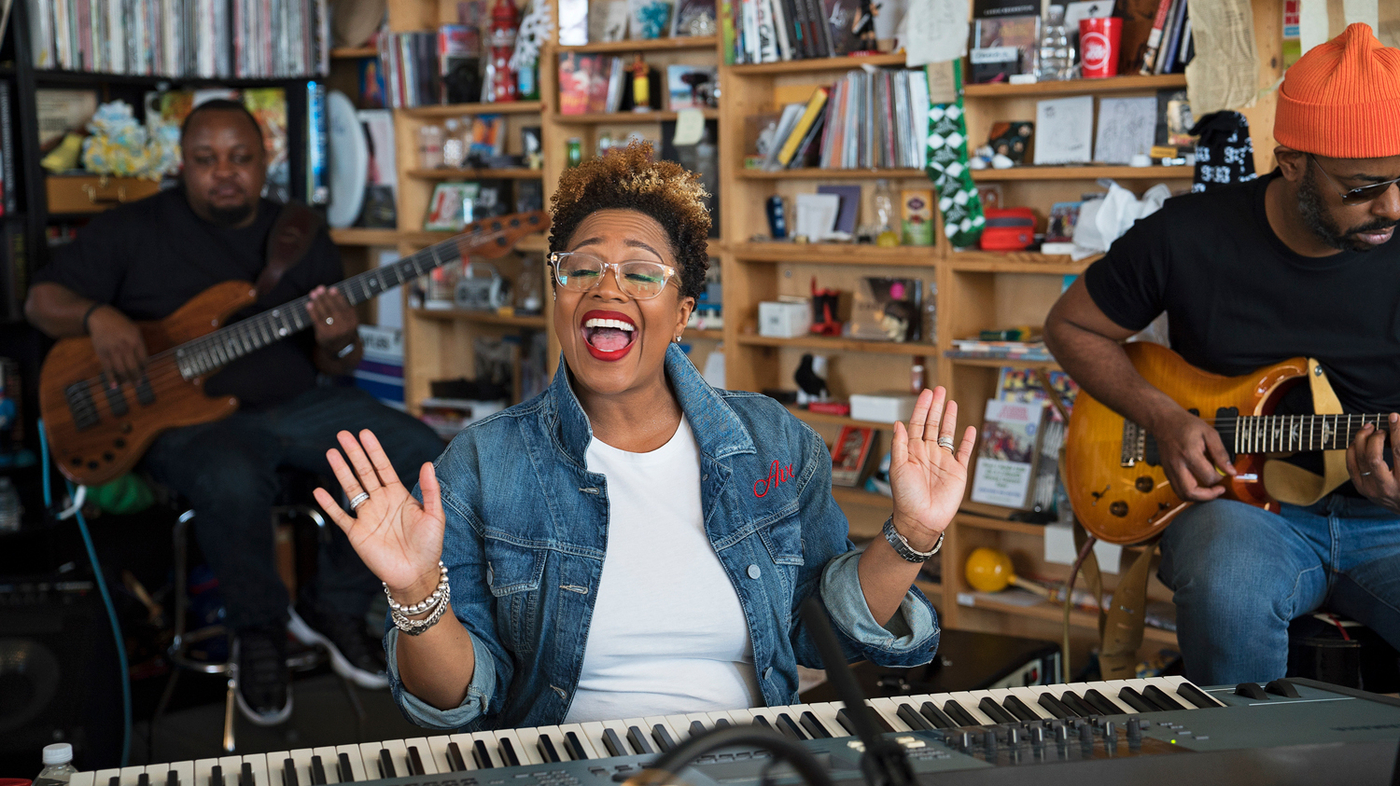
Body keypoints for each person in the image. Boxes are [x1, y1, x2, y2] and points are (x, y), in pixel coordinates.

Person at [316, 142, 976, 730]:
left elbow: (821, 635)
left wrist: (913, 534)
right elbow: (459, 699)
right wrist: (414, 595)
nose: (608, 286)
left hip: (748, 767)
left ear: (682, 313)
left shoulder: (774, 443)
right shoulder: (484, 464)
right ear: (558, 294)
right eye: (581, 268)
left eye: (640, 271)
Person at [24, 99, 445, 725]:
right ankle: (258, 634)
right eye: (206, 160)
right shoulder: (134, 229)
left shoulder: (298, 233)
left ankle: (335, 603)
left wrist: (338, 340)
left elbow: (339, 362)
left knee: (420, 451)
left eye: (240, 159)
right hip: (189, 425)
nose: (224, 172)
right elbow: (40, 301)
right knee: (231, 477)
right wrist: (97, 316)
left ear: (265, 160)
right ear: (181, 163)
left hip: (301, 404)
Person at [1043, 24, 1400, 685]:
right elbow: (1072, 326)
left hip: (1388, 522)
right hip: (1240, 512)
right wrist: (1161, 417)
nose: (1391, 207)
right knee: (1229, 586)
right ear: (1291, 160)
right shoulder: (1187, 234)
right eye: (1362, 186)